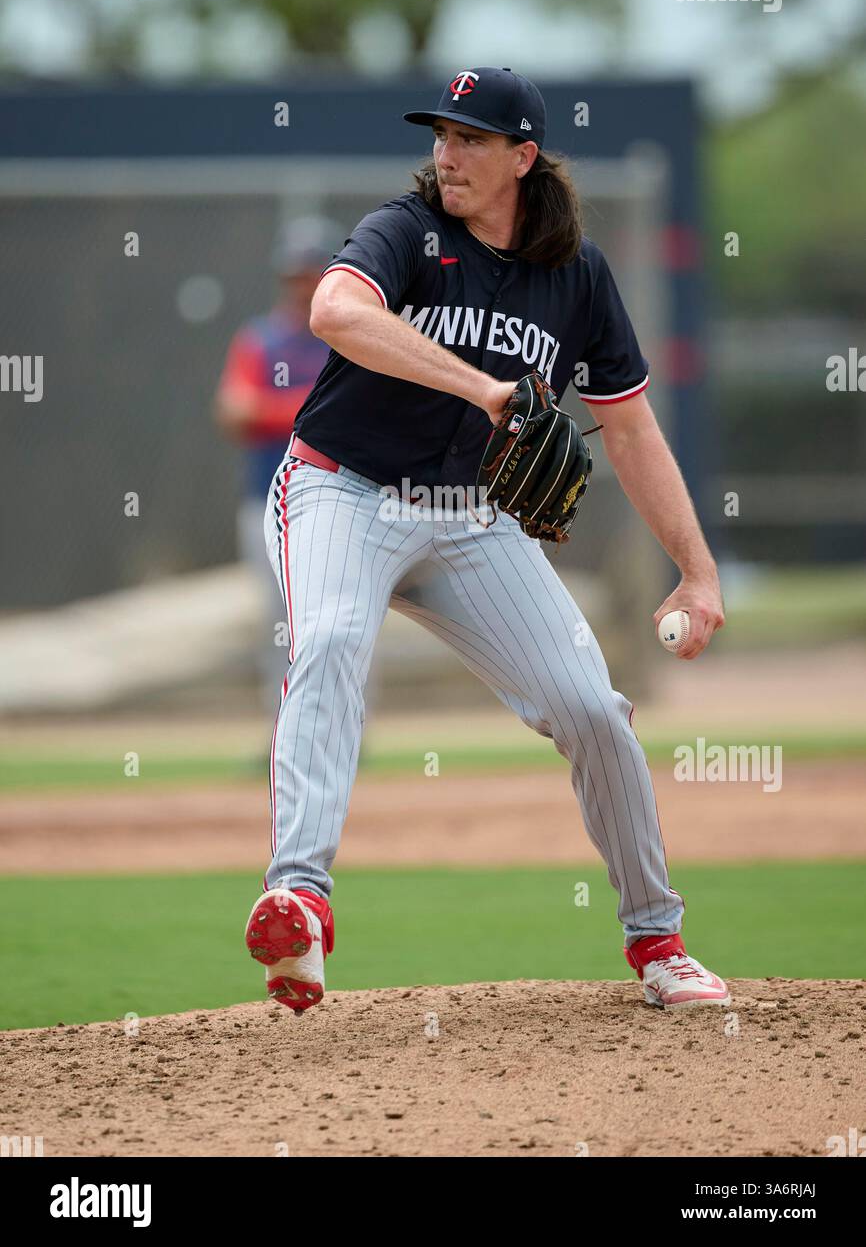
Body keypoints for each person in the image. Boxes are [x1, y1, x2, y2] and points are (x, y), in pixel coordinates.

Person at [243, 67, 729, 1015]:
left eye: (470, 138)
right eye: (441, 134)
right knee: (334, 642)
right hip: (342, 488)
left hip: (471, 516)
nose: (447, 153)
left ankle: (658, 940)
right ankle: (299, 901)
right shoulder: (407, 231)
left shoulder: (577, 275)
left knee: (592, 708)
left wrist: (698, 570)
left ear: (523, 156)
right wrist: (488, 389)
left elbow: (627, 426)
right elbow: (335, 313)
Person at [214, 219, 336, 713]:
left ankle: (351, 732)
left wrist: (275, 408)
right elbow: (232, 411)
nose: (302, 284)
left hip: (341, 503)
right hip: (269, 502)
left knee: (341, 623)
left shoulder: (350, 334)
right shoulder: (261, 339)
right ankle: (279, 728)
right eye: (294, 274)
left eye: (312, 272)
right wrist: (314, 408)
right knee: (276, 625)